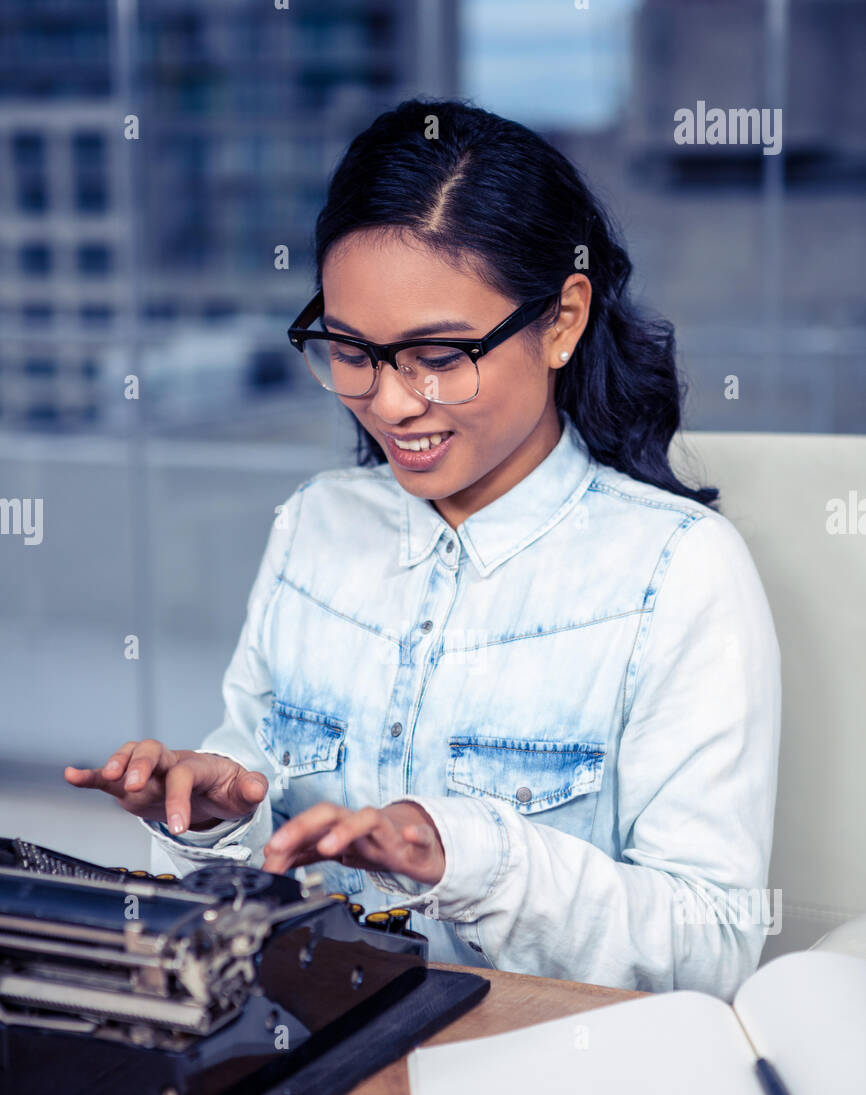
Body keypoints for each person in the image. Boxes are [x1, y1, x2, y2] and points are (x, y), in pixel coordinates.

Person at [65, 99, 781, 1000]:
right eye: (352, 351)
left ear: (561, 320)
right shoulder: (314, 526)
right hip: (306, 1050)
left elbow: (709, 949)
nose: (392, 403)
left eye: (438, 354)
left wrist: (463, 859)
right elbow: (254, 839)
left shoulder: (679, 571)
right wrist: (211, 814)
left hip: (546, 1078)